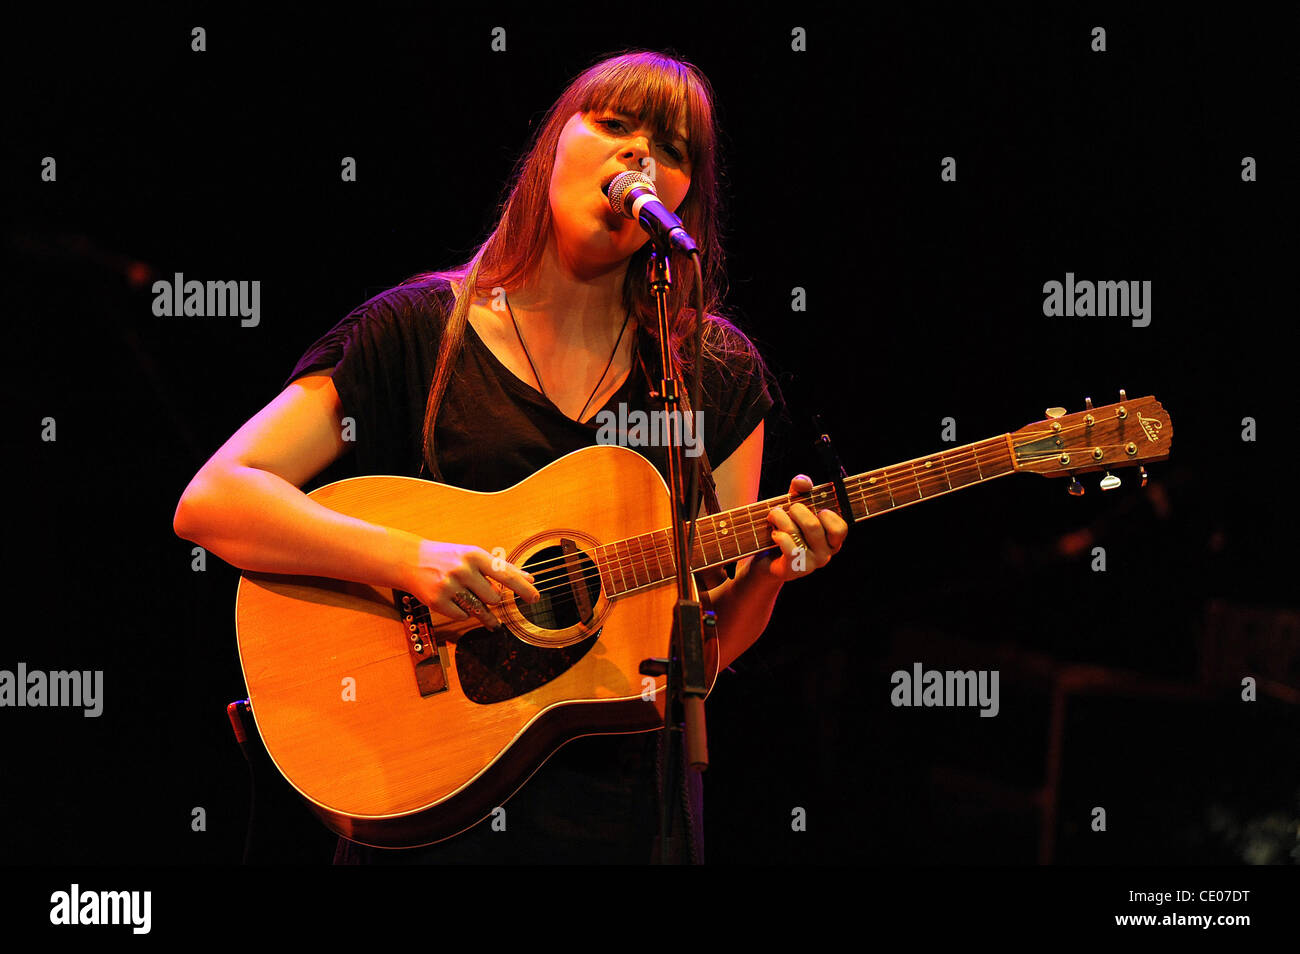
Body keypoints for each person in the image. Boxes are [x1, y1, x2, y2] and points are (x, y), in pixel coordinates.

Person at [173, 49, 848, 864]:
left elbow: (699, 652)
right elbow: (215, 498)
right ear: (552, 148)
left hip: (624, 819)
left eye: (672, 148)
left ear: (685, 199)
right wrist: (412, 560)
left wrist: (770, 574)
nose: (641, 156)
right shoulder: (418, 330)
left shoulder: (717, 374)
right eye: (615, 124)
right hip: (426, 794)